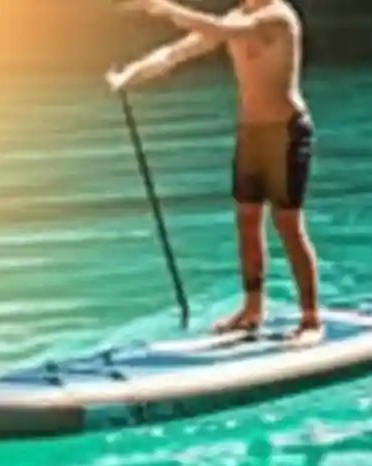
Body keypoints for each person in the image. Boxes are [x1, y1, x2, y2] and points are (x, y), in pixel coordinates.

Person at [106, 0, 323, 345]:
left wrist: (167, 9)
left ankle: (311, 319)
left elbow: (222, 32)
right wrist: (129, 76)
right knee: (247, 220)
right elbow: (176, 53)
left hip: (286, 132)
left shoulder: (279, 17)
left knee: (287, 225)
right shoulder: (236, 17)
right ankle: (252, 310)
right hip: (251, 133)